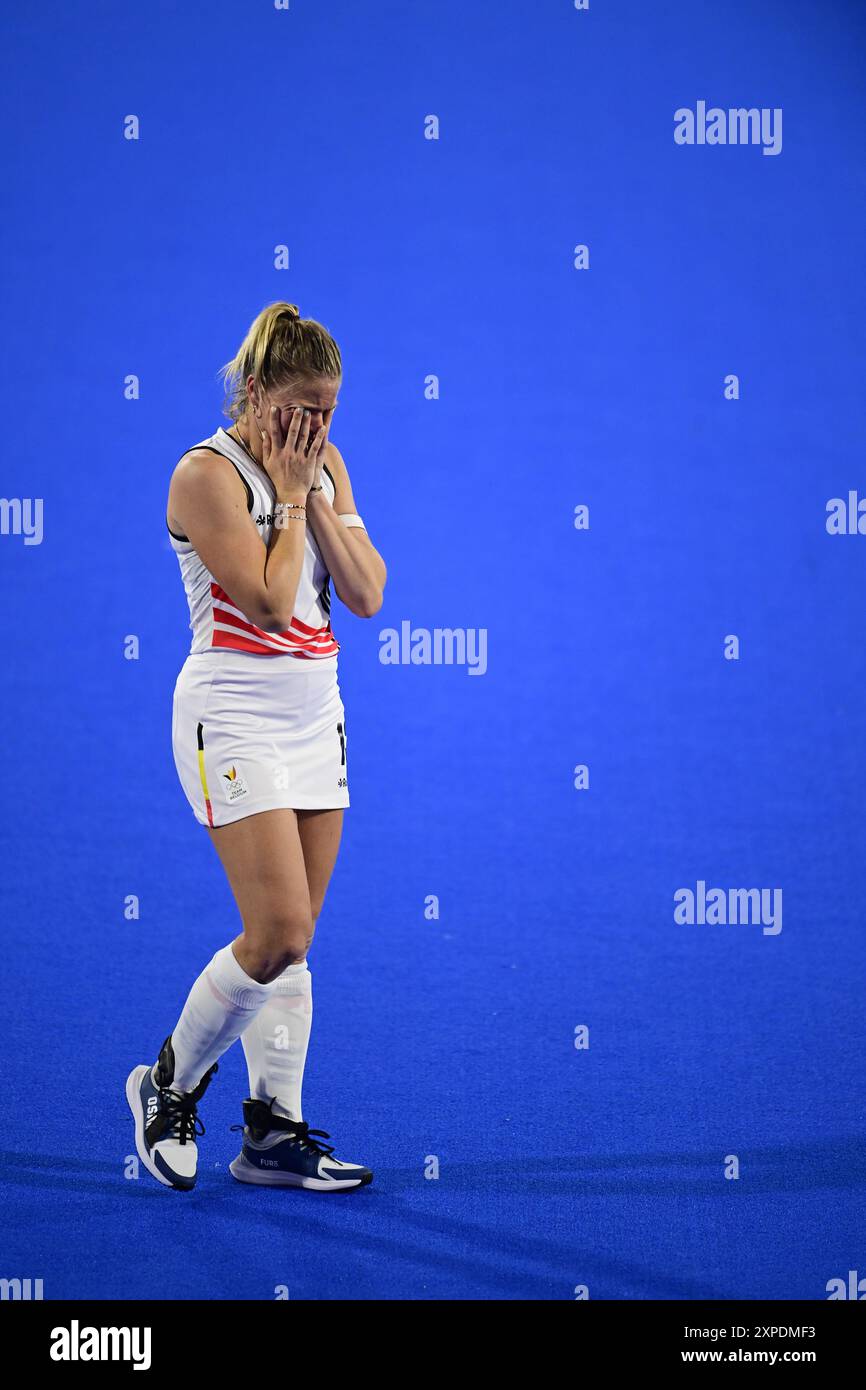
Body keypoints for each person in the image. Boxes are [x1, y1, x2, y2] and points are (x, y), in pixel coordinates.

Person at [126, 301, 386, 1192]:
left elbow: (367, 592)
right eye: (299, 408)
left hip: (317, 716)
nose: (313, 428)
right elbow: (272, 602)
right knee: (275, 930)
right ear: (252, 391)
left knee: (296, 942)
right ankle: (167, 1084)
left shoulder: (323, 463)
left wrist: (316, 487)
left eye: (328, 412)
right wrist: (292, 496)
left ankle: (273, 1134)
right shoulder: (204, 478)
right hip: (230, 716)